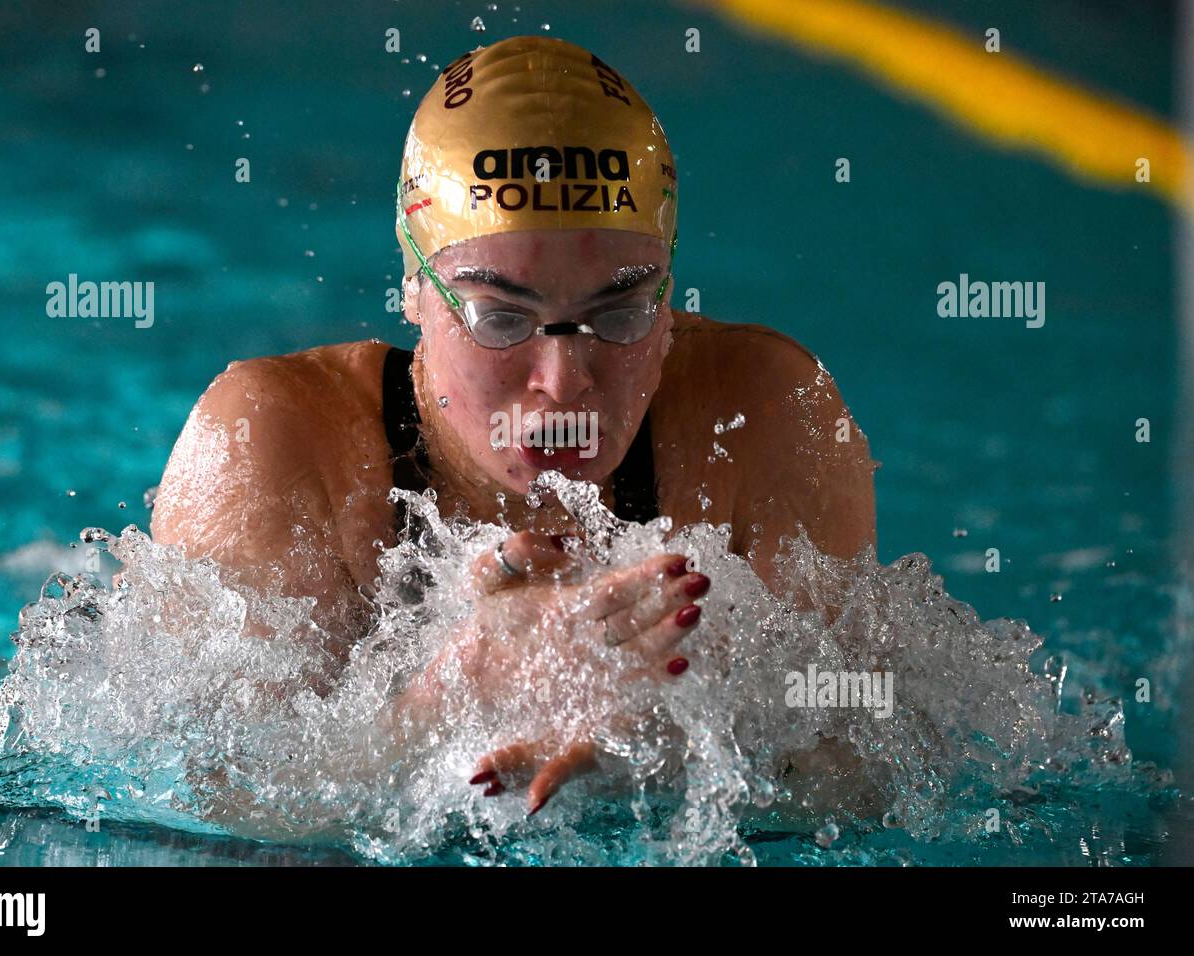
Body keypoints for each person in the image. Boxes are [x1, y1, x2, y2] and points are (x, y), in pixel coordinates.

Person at [149, 35, 878, 815]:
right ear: (414, 291)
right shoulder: (270, 443)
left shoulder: (765, 414)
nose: (564, 382)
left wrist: (679, 746)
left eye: (622, 312)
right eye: (500, 317)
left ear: (669, 296)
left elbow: (876, 777)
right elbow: (199, 805)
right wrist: (450, 695)